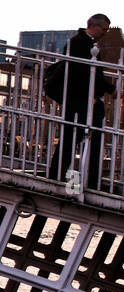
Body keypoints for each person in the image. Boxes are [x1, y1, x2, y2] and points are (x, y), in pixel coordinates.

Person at [51, 13, 116, 190]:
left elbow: (90, 73)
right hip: (80, 101)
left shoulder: (85, 43)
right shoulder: (79, 43)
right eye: (104, 29)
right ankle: (82, 180)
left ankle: (66, 176)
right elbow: (82, 72)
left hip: (85, 100)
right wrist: (108, 90)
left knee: (78, 138)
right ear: (94, 25)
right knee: (78, 138)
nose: (105, 32)